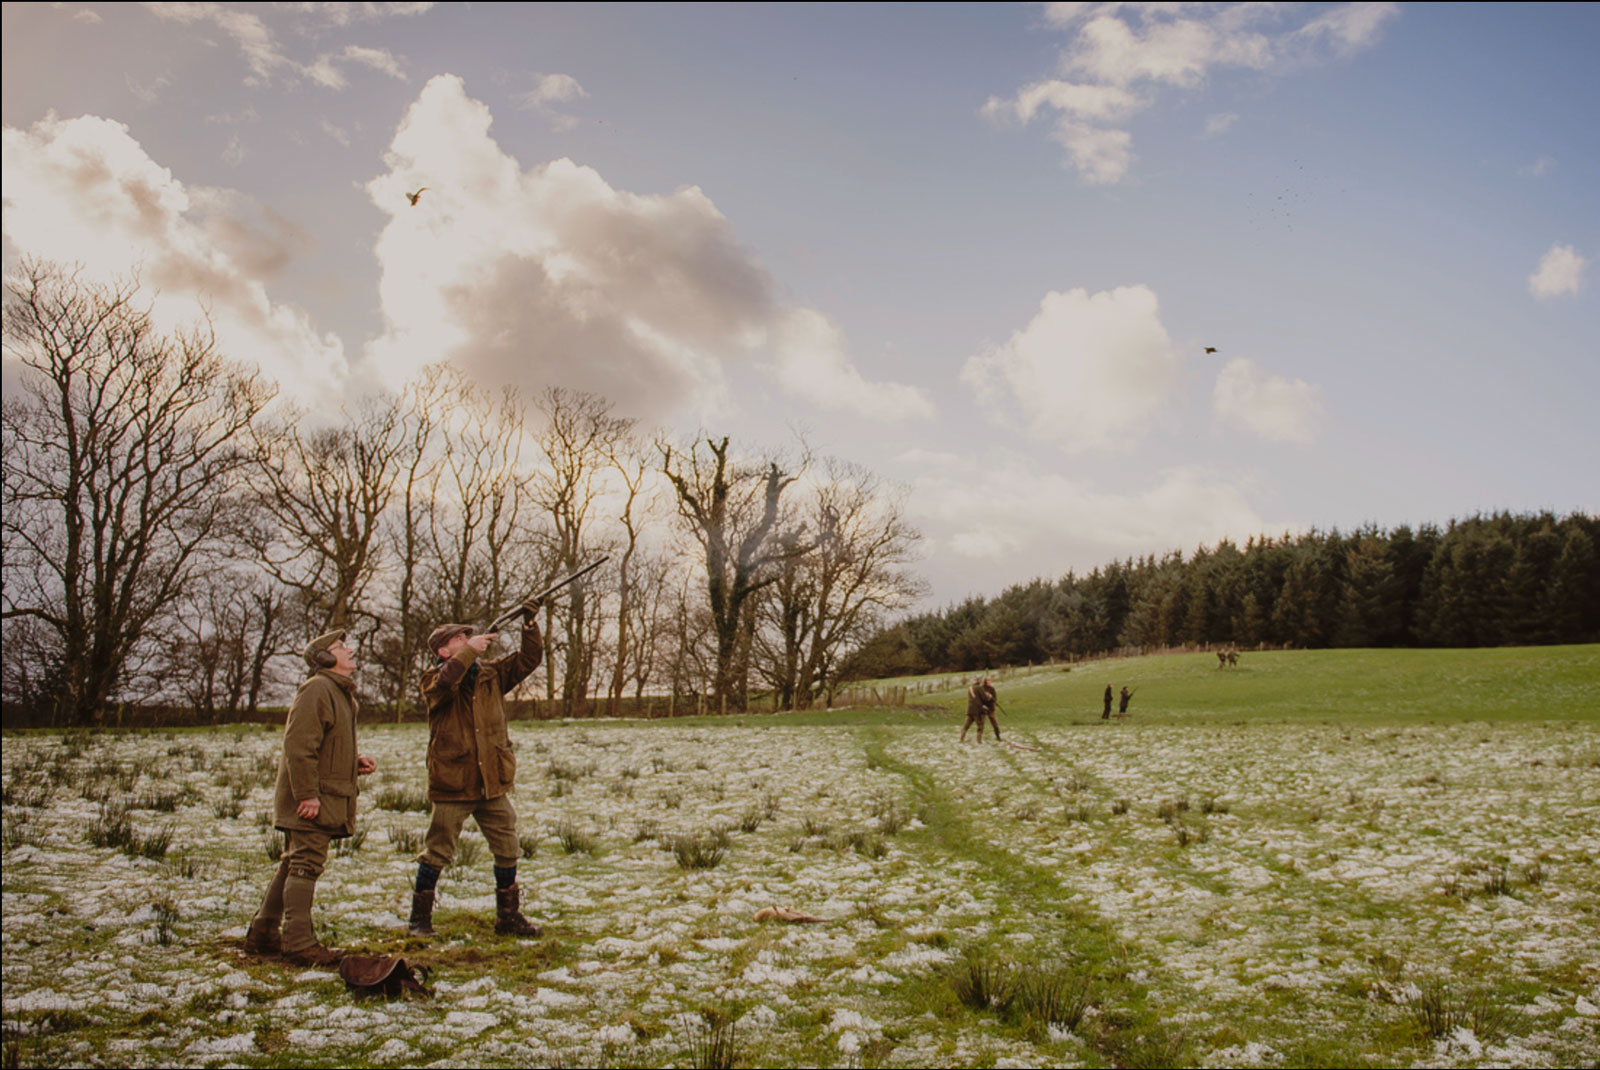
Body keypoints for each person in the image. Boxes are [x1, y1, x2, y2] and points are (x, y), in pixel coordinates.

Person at [407, 604, 544, 940]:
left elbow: (529, 661)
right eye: (459, 639)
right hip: (454, 782)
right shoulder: (433, 680)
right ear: (443, 651)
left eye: (468, 636)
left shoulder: (491, 674)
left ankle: (508, 918)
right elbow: (447, 682)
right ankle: (419, 921)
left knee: (508, 847)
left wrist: (530, 625)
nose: (467, 640)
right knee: (437, 851)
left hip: (491, 782)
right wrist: (469, 652)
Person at [245, 630, 376, 967]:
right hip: (313, 798)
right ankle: (299, 943)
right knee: (306, 864)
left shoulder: (339, 692)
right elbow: (299, 745)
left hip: (324, 794)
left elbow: (325, 742)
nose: (350, 650)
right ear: (324, 658)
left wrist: (353, 760)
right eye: (340, 647)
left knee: (294, 860)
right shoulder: (318, 688)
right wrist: (307, 795)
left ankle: (263, 933)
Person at [961, 676, 1000, 743]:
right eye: (987, 681)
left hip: (973, 709)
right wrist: (989, 696)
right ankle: (979, 742)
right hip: (979, 710)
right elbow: (984, 698)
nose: (989, 682)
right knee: (980, 727)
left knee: (966, 726)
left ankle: (961, 739)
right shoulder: (980, 688)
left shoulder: (971, 688)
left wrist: (994, 701)